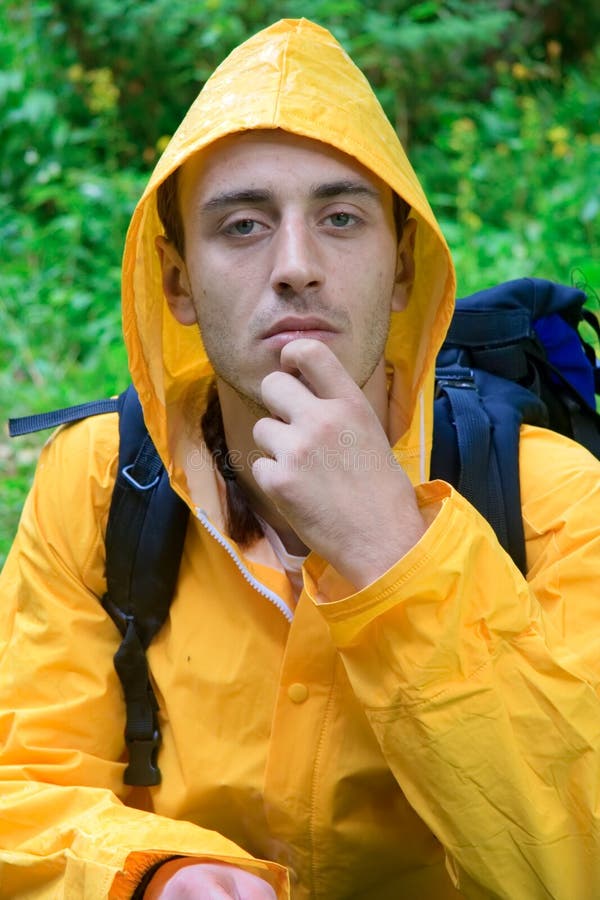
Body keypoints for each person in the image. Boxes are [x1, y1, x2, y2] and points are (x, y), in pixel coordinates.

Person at [1, 17, 599, 900]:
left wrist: (396, 551)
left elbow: (569, 864)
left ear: (400, 268)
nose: (295, 267)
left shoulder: (556, 501)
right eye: (242, 226)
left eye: (341, 218)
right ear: (177, 283)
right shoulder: (95, 482)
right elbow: (26, 785)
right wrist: (157, 874)